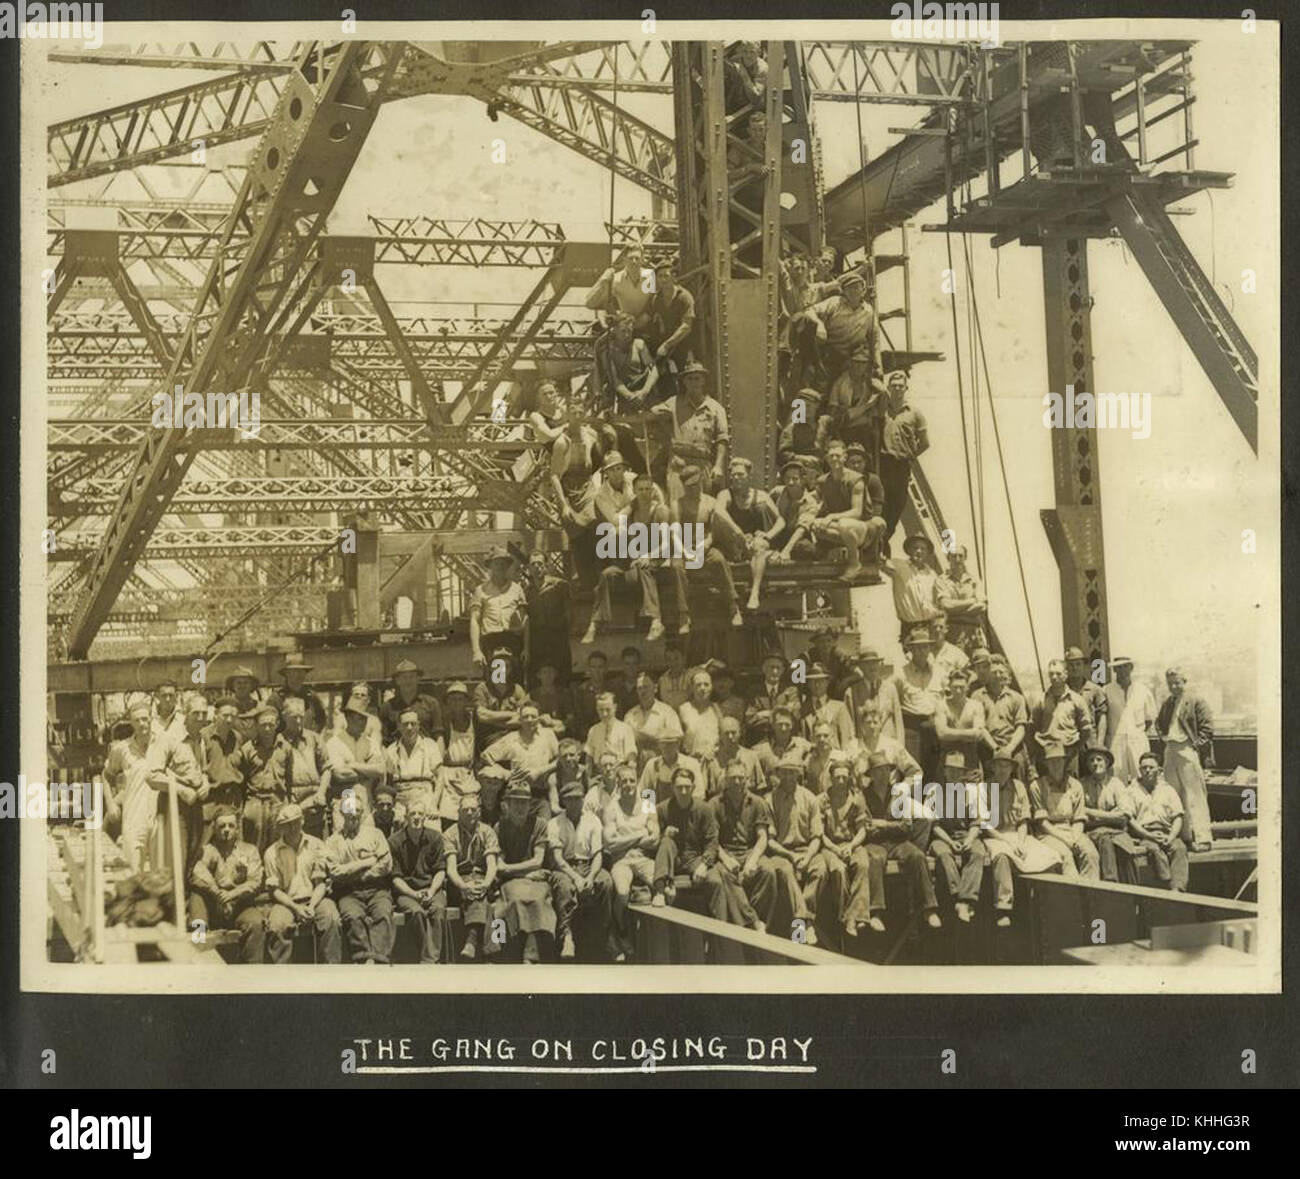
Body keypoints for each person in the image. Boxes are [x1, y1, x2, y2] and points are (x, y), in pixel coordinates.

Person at [711, 760, 802, 935]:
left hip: (750, 851)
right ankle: (752, 921)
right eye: (732, 778)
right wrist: (726, 859)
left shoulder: (757, 802)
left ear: (747, 780)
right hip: (726, 852)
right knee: (724, 873)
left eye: (740, 778)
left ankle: (760, 920)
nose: (737, 782)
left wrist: (751, 861)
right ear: (725, 780)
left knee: (768, 872)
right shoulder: (715, 804)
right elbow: (712, 840)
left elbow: (762, 837)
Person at [968, 753, 1059, 926]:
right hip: (994, 835)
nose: (1003, 770)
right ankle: (1004, 907)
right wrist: (1007, 841)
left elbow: (1023, 820)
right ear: (992, 768)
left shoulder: (1019, 786)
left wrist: (1020, 842)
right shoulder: (983, 788)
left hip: (1017, 835)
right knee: (1001, 857)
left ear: (1012, 769)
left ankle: (1047, 905)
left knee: (1051, 856)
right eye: (999, 766)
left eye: (1007, 766)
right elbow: (984, 825)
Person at [585, 469, 674, 644]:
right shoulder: (633, 510)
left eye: (648, 489)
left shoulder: (660, 511)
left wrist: (648, 556)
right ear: (634, 492)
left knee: (643, 566)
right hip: (635, 563)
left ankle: (656, 620)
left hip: (656, 560)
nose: (644, 493)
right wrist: (630, 507)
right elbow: (616, 520)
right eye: (640, 489)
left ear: (653, 490)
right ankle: (595, 623)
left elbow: (667, 545)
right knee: (607, 574)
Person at [766, 752, 844, 947]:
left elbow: (817, 836)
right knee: (786, 872)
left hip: (807, 849)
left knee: (820, 869)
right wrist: (790, 856)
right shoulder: (769, 800)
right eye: (784, 773)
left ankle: (802, 922)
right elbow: (770, 841)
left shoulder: (809, 798)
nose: (788, 777)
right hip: (781, 852)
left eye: (792, 773)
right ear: (778, 774)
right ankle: (805, 922)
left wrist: (808, 857)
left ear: (799, 774)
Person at [860, 751, 941, 930]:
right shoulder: (863, 796)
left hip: (897, 842)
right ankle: (876, 912)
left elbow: (906, 827)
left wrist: (882, 824)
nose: (882, 775)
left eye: (885, 770)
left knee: (917, 855)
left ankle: (929, 908)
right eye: (877, 771)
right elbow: (866, 827)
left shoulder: (898, 794)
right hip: (875, 843)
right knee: (875, 859)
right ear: (871, 774)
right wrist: (887, 826)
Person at [264, 802, 342, 965]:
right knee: (276, 926)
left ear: (303, 821)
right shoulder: (272, 852)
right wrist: (296, 908)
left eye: (296, 822)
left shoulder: (316, 845)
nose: (293, 828)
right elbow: (275, 891)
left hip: (316, 899)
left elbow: (320, 882)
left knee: (331, 918)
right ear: (281, 827)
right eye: (288, 824)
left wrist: (311, 906)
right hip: (285, 902)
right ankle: (282, 980)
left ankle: (331, 973)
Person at [668, 464, 744, 629]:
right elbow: (674, 533)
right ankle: (684, 614)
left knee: (718, 560)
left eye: (697, 484)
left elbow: (713, 530)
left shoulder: (710, 501)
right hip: (684, 546)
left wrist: (707, 544)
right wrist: (684, 551)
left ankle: (733, 606)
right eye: (690, 486)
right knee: (676, 566)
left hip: (704, 545)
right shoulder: (677, 504)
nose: (694, 489)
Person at [188, 806, 268, 963]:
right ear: (214, 829)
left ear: (237, 829)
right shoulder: (208, 850)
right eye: (221, 826)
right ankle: (198, 961)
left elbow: (255, 882)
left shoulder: (249, 851)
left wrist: (232, 894)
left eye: (231, 826)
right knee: (196, 900)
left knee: (256, 923)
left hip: (239, 906)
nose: (226, 830)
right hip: (213, 906)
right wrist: (217, 892)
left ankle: (253, 973)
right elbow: (197, 873)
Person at [103, 701, 173, 875]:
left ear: (151, 719)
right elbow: (105, 775)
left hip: (160, 816)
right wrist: (110, 803)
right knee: (134, 873)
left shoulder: (165, 743)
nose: (142, 724)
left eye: (145, 719)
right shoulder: (121, 749)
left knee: (160, 875)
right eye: (137, 720)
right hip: (134, 817)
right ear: (131, 723)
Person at [652, 767, 729, 923]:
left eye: (688, 787)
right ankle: (659, 891)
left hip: (695, 858)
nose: (684, 791)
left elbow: (712, 841)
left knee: (715, 882)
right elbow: (651, 839)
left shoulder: (704, 808)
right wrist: (662, 834)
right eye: (679, 787)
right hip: (672, 859)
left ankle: (720, 929)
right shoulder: (662, 808)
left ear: (693, 787)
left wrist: (705, 864)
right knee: (666, 841)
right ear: (672, 788)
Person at [493, 779, 559, 964]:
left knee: (538, 900)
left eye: (524, 802)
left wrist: (512, 869)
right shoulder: (500, 827)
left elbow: (538, 860)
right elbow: (499, 866)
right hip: (513, 880)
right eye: (515, 801)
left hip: (535, 880)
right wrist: (524, 872)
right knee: (512, 901)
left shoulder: (540, 824)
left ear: (530, 804)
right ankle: (503, 951)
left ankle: (532, 955)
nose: (520, 806)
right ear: (507, 804)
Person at [325, 794, 395, 964]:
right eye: (349, 810)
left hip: (376, 889)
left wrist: (353, 870)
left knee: (384, 913)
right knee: (352, 916)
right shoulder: (332, 841)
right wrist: (367, 862)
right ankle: (362, 958)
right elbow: (335, 872)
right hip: (349, 891)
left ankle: (378, 959)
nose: (353, 814)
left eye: (357, 810)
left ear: (363, 814)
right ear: (342, 813)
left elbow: (386, 865)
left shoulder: (375, 834)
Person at [547, 781, 613, 960]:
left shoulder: (593, 820)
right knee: (565, 887)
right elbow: (558, 859)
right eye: (570, 799)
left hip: (589, 865)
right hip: (565, 868)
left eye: (578, 799)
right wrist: (576, 877)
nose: (574, 803)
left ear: (583, 799)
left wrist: (591, 877)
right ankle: (567, 937)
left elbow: (598, 854)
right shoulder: (554, 823)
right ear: (563, 801)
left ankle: (606, 936)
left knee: (606, 882)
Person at [602, 763, 661, 961]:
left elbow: (655, 837)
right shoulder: (611, 807)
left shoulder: (647, 798)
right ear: (617, 783)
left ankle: (653, 938)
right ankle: (619, 929)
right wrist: (640, 834)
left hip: (644, 857)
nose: (628, 784)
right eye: (624, 780)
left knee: (667, 889)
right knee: (622, 893)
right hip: (622, 861)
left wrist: (628, 840)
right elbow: (610, 844)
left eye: (631, 780)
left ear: (637, 781)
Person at [1154, 666, 1215, 852]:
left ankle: (1203, 839)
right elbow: (1158, 723)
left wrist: (1195, 746)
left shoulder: (1196, 701)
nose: (1174, 686)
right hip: (1170, 749)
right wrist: (1163, 737)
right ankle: (1185, 837)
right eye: (1170, 683)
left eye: (1177, 683)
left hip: (1187, 750)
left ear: (1185, 682)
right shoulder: (1168, 702)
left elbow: (1208, 729)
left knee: (1195, 795)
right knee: (1174, 795)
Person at [808, 441, 885, 583]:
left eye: (838, 455)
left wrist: (831, 517)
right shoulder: (823, 481)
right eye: (831, 456)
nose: (834, 459)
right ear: (826, 458)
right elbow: (816, 500)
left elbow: (857, 512)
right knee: (815, 525)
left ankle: (854, 563)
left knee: (844, 524)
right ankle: (845, 546)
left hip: (863, 526)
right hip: (843, 529)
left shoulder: (856, 480)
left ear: (844, 457)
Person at [790, 269, 881, 389]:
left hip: (849, 357)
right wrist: (819, 325)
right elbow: (809, 311)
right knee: (800, 318)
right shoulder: (835, 302)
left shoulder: (868, 311)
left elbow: (874, 339)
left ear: (863, 291)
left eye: (857, 287)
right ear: (843, 291)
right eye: (850, 288)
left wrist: (878, 366)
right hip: (826, 350)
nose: (854, 291)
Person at [715, 457, 783, 613]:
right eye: (733, 475)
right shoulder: (726, 494)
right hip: (735, 543)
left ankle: (755, 592)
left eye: (740, 474)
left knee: (760, 546)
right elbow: (719, 510)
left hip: (754, 543)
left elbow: (781, 521)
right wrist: (737, 531)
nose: (736, 478)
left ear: (749, 476)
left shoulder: (761, 496)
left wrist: (768, 534)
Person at [388, 795, 450, 964]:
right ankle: (431, 960)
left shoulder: (435, 838)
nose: (416, 817)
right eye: (412, 814)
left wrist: (431, 891)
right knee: (416, 913)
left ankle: (428, 960)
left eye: (420, 814)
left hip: (431, 888)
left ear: (425, 817)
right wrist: (414, 894)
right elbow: (395, 878)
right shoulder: (394, 841)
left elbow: (440, 871)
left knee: (437, 910)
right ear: (406, 817)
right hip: (406, 892)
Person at [653, 362, 730, 494]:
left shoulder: (716, 408)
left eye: (697, 378)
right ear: (683, 381)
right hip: (678, 464)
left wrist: (718, 466)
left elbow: (722, 440)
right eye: (689, 378)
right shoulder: (673, 403)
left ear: (704, 380)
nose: (693, 382)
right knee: (677, 506)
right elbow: (654, 414)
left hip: (702, 464)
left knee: (701, 506)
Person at [549, 403, 605, 587]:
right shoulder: (561, 442)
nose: (578, 416)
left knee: (598, 522)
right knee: (577, 533)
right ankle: (584, 578)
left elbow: (600, 453)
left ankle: (600, 573)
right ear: (567, 415)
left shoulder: (590, 435)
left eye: (581, 412)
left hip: (587, 486)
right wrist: (563, 505)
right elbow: (555, 476)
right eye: (574, 412)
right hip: (568, 491)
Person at [819, 756, 874, 939]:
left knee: (863, 864)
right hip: (829, 845)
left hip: (851, 843)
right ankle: (842, 916)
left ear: (849, 777)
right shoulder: (822, 800)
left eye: (844, 777)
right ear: (831, 778)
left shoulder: (857, 799)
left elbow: (862, 831)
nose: (841, 781)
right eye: (837, 777)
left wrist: (850, 846)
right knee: (838, 869)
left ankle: (854, 916)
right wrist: (836, 849)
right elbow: (819, 834)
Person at [157, 692, 211, 875]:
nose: (201, 717)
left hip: (196, 806)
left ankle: (185, 901)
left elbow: (202, 769)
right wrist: (180, 790)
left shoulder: (201, 739)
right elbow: (152, 775)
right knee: (176, 860)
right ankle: (173, 903)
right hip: (174, 805)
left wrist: (206, 782)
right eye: (196, 713)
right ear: (185, 713)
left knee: (193, 856)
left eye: (204, 713)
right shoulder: (169, 739)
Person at [1029, 743, 1100, 879]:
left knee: (1091, 854)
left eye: (1059, 761)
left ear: (1065, 762)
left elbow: (1079, 818)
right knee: (1065, 856)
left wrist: (1073, 837)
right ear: (1046, 764)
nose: (1056, 765)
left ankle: (1090, 895)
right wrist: (1064, 839)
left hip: (1072, 829)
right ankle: (1072, 897)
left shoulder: (1075, 785)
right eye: (1051, 762)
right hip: (1048, 833)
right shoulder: (1037, 786)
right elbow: (1042, 822)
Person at [481, 701, 561, 821]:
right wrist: (505, 773)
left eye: (533, 716)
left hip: (540, 794)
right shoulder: (511, 739)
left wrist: (539, 771)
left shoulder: (548, 735)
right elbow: (486, 755)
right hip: (515, 794)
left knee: (544, 830)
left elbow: (560, 759)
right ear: (520, 720)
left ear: (538, 719)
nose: (529, 720)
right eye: (526, 717)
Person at [443, 794, 500, 961]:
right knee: (484, 900)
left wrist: (486, 883)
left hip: (483, 879)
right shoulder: (449, 834)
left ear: (479, 812)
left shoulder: (487, 832)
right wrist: (463, 886)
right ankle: (493, 953)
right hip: (459, 881)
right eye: (465, 810)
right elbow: (451, 869)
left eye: (472, 809)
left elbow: (491, 864)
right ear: (458, 812)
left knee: (495, 906)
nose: (469, 813)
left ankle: (472, 941)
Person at [878, 370, 929, 552]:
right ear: (889, 388)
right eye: (894, 385)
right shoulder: (880, 410)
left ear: (906, 388)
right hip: (883, 464)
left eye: (901, 385)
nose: (897, 388)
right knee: (879, 504)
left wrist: (910, 455)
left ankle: (885, 538)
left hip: (901, 466)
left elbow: (925, 442)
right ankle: (879, 543)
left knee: (897, 504)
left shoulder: (914, 414)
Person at [1124, 752, 1190, 892]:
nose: (1147, 771)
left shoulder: (1168, 790)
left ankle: (1177, 890)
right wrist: (1148, 835)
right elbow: (1130, 819)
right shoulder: (1131, 790)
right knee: (1153, 849)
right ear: (1140, 769)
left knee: (1180, 848)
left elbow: (1178, 816)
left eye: (1151, 767)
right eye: (1144, 768)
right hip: (1144, 833)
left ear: (1159, 770)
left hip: (1166, 831)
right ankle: (1166, 882)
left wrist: (1171, 836)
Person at [1079, 745, 1141, 884]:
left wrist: (1093, 813)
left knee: (1127, 851)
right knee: (1105, 842)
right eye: (1091, 760)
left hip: (1117, 832)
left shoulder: (1116, 783)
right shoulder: (1082, 784)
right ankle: (1111, 886)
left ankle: (1133, 891)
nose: (1095, 763)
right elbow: (1080, 814)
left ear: (1107, 763)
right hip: (1094, 833)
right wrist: (1111, 816)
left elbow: (1124, 816)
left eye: (1099, 759)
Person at [324, 693, 386, 833]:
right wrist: (367, 772)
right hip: (345, 797)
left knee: (367, 845)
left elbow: (380, 770)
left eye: (365, 719)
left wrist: (352, 765)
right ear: (347, 718)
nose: (363, 723)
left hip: (366, 801)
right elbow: (339, 775)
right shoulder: (335, 742)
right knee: (345, 845)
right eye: (358, 719)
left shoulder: (370, 743)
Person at [891, 626, 944, 783]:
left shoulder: (939, 672)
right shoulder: (900, 674)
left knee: (934, 773)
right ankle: (914, 807)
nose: (922, 651)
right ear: (911, 649)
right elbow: (889, 694)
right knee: (913, 774)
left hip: (934, 728)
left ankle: (932, 807)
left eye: (925, 646)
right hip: (911, 729)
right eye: (918, 647)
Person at [232, 706, 289, 853]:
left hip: (277, 799)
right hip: (255, 799)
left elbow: (290, 777)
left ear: (277, 724)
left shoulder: (285, 748)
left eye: (271, 724)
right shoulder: (248, 749)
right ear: (257, 726)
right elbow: (241, 779)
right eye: (263, 725)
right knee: (254, 840)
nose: (267, 729)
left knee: (278, 842)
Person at [278, 697, 331, 839]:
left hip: (315, 800)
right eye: (293, 717)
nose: (298, 721)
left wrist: (321, 792)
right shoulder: (279, 742)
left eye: (301, 717)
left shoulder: (314, 739)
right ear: (284, 716)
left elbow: (326, 769)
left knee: (318, 845)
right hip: (293, 801)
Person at [1030, 659, 1094, 775]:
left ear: (1066, 674)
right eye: (1051, 674)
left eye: (1058, 674)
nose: (1054, 677)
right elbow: (1032, 728)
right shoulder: (1040, 700)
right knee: (1048, 789)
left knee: (1070, 788)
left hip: (1068, 753)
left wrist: (1075, 748)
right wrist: (1039, 750)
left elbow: (1086, 729)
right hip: (1047, 753)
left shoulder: (1077, 700)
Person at [972, 655, 1029, 782]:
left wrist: (1009, 748)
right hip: (988, 749)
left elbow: (1021, 727)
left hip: (1012, 748)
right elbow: (980, 728)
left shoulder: (1016, 698)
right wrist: (996, 749)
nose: (998, 676)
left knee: (1019, 772)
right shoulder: (977, 697)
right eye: (994, 672)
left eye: (1001, 672)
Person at [591, 311, 660, 416]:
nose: (627, 335)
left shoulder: (639, 345)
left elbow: (654, 370)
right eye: (623, 331)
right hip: (621, 397)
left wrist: (644, 392)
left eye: (629, 331)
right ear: (615, 331)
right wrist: (630, 397)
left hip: (643, 394)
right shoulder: (607, 350)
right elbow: (614, 380)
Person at [469, 548, 528, 669]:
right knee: (497, 682)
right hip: (492, 642)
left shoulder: (517, 589)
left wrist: (527, 649)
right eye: (496, 563)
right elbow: (474, 620)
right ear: (490, 566)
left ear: (507, 566)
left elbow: (526, 621)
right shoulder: (481, 591)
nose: (500, 567)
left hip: (513, 642)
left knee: (515, 682)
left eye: (503, 563)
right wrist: (476, 651)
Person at [384, 708, 444, 825]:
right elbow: (387, 781)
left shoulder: (430, 745)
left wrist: (434, 804)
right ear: (399, 726)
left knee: (432, 829)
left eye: (413, 724)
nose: (409, 728)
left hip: (424, 795)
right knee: (398, 832)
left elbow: (440, 777)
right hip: (400, 798)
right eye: (405, 724)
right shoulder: (391, 750)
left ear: (418, 725)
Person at [1104, 656, 1157, 784]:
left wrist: (1136, 732)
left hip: (1137, 739)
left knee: (1142, 775)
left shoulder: (1143, 690)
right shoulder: (1106, 691)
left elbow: (1149, 719)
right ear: (1114, 670)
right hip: (1115, 741)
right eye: (1118, 667)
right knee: (1116, 778)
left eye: (1125, 666)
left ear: (1131, 668)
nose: (1122, 670)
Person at [823, 345, 885, 456]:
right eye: (856, 362)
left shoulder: (871, 384)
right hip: (844, 432)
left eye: (863, 363)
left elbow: (881, 412)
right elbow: (832, 412)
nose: (859, 367)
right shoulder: (840, 382)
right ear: (850, 362)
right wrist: (867, 405)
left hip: (865, 432)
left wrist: (882, 392)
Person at [522, 553, 573, 687]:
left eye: (540, 564)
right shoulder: (526, 591)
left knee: (562, 679)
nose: (537, 567)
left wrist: (565, 636)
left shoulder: (560, 586)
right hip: (537, 644)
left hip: (558, 641)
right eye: (533, 564)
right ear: (528, 568)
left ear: (546, 566)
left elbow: (569, 613)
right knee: (536, 681)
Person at [847, 702, 923, 791]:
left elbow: (916, 772)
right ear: (862, 725)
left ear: (880, 725)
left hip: (890, 796)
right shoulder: (853, 747)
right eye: (868, 722)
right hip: (862, 797)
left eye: (875, 722)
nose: (872, 726)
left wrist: (902, 789)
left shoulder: (893, 746)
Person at [645, 254, 697, 380]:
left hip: (681, 347)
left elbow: (686, 327)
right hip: (661, 349)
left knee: (685, 379)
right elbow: (645, 318)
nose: (663, 279)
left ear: (674, 277)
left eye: (666, 276)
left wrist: (667, 345)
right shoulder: (655, 299)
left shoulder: (684, 297)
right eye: (660, 276)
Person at [434, 682, 478, 828]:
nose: (456, 703)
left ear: (466, 701)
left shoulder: (474, 719)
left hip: (469, 773)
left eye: (460, 699)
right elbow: (440, 744)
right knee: (448, 816)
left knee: (470, 812)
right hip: (449, 774)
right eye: (452, 699)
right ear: (447, 702)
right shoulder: (445, 720)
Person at [473, 648, 529, 759]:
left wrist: (494, 721)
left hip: (515, 736)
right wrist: (511, 714)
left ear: (511, 669)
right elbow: (482, 716)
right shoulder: (482, 688)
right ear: (491, 668)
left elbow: (524, 718)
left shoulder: (517, 689)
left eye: (507, 666)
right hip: (490, 738)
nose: (502, 670)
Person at [884, 534, 940, 643]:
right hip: (910, 629)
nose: (919, 551)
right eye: (915, 548)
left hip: (931, 627)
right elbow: (880, 563)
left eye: (923, 549)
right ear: (909, 550)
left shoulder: (933, 574)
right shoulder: (899, 566)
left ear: (928, 553)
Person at [585, 244, 655, 329]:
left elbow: (653, 302)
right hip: (625, 325)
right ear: (624, 260)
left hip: (647, 323)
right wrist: (602, 281)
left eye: (637, 258)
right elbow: (594, 304)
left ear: (642, 260)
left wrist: (645, 317)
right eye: (630, 258)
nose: (634, 261)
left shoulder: (649, 276)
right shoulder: (616, 279)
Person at [842, 648, 904, 744]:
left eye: (875, 663)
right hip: (864, 747)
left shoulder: (890, 688)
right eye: (867, 663)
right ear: (860, 666)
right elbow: (849, 726)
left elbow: (898, 722)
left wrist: (900, 746)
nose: (872, 667)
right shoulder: (851, 692)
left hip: (889, 745)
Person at [768, 456, 820, 566]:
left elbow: (801, 529)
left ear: (802, 480)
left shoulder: (810, 502)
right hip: (778, 533)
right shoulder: (777, 492)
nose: (790, 482)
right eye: (787, 478)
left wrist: (786, 551)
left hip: (797, 537)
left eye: (795, 478)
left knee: (805, 548)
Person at [935, 546, 988, 653]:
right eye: (954, 556)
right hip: (953, 632)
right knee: (956, 665)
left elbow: (982, 606)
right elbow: (946, 605)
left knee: (978, 664)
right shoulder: (941, 580)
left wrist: (955, 610)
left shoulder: (974, 580)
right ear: (948, 558)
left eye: (960, 556)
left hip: (974, 631)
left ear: (965, 558)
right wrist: (972, 601)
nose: (957, 559)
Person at [380, 659, 444, 746]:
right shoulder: (387, 707)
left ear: (418, 679)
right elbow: (383, 739)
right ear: (397, 681)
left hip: (426, 754)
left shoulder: (431, 703)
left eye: (412, 677)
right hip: (397, 755)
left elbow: (439, 736)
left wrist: (438, 758)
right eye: (404, 677)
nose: (408, 681)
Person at [638, 723, 707, 804]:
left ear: (678, 744)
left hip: (685, 812)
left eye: (671, 744)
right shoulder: (652, 765)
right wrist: (650, 813)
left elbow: (699, 794)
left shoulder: (691, 764)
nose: (667, 748)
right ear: (659, 745)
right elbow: (645, 791)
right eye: (664, 744)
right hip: (659, 812)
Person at [624, 672, 680, 770]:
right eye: (639, 688)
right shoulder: (630, 715)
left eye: (646, 687)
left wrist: (650, 737)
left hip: (662, 764)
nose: (643, 691)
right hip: (636, 766)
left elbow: (677, 739)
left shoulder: (667, 712)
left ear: (655, 688)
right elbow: (625, 743)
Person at [745, 654, 802, 746]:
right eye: (771, 667)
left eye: (778, 668)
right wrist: (782, 713)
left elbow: (795, 716)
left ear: (783, 670)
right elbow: (750, 720)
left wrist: (763, 714)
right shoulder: (754, 692)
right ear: (764, 669)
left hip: (785, 743)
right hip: (760, 742)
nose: (775, 672)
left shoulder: (791, 691)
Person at [706, 714, 767, 798]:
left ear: (740, 733)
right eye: (726, 733)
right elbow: (709, 794)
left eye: (733, 732)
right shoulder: (713, 760)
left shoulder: (751, 756)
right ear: (720, 735)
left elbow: (760, 788)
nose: (730, 737)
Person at [751, 704, 811, 785]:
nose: (783, 728)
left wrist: (806, 763)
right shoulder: (761, 749)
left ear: (792, 725)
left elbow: (818, 751)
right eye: (780, 724)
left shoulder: (802, 744)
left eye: (787, 724)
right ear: (773, 725)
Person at [800, 662, 854, 750]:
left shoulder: (839, 707)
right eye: (813, 681)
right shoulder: (803, 709)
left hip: (835, 757)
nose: (817, 685)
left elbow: (846, 737)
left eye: (821, 681)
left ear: (827, 682)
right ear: (808, 684)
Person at [1064, 646, 1109, 747]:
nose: (1075, 668)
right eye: (1071, 665)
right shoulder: (1061, 690)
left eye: (1078, 664)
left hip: (1090, 743)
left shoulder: (1095, 690)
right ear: (1066, 667)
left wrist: (1100, 743)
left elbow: (1102, 717)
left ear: (1084, 666)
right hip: (1068, 743)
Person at [584, 691, 638, 775]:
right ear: (597, 710)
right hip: (599, 774)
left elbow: (631, 758)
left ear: (615, 707)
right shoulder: (593, 730)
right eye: (601, 710)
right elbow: (589, 758)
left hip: (619, 774)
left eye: (608, 710)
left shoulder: (625, 729)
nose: (604, 714)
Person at [269, 654, 327, 733]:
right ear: (286, 674)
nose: (296, 676)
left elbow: (321, 721)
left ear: (304, 674)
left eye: (300, 672)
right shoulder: (276, 698)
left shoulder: (312, 697)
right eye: (292, 673)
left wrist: (314, 737)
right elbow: (268, 724)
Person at [679, 668, 723, 761]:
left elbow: (723, 737)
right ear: (692, 688)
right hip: (690, 760)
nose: (702, 688)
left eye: (706, 684)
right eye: (698, 685)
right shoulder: (684, 709)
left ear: (711, 687)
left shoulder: (717, 709)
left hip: (714, 760)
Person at [224, 666, 264, 742]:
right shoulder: (226, 707)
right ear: (233, 685)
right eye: (238, 683)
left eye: (246, 683)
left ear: (252, 685)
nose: (242, 686)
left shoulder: (260, 707)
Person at [658, 641, 692, 710]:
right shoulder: (662, 680)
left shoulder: (690, 677)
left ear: (683, 658)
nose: (673, 663)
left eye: (676, 658)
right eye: (669, 659)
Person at [150, 680, 186, 744]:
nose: (167, 699)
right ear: (157, 696)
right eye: (164, 695)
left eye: (171, 695)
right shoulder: (150, 719)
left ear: (176, 696)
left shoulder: (184, 721)